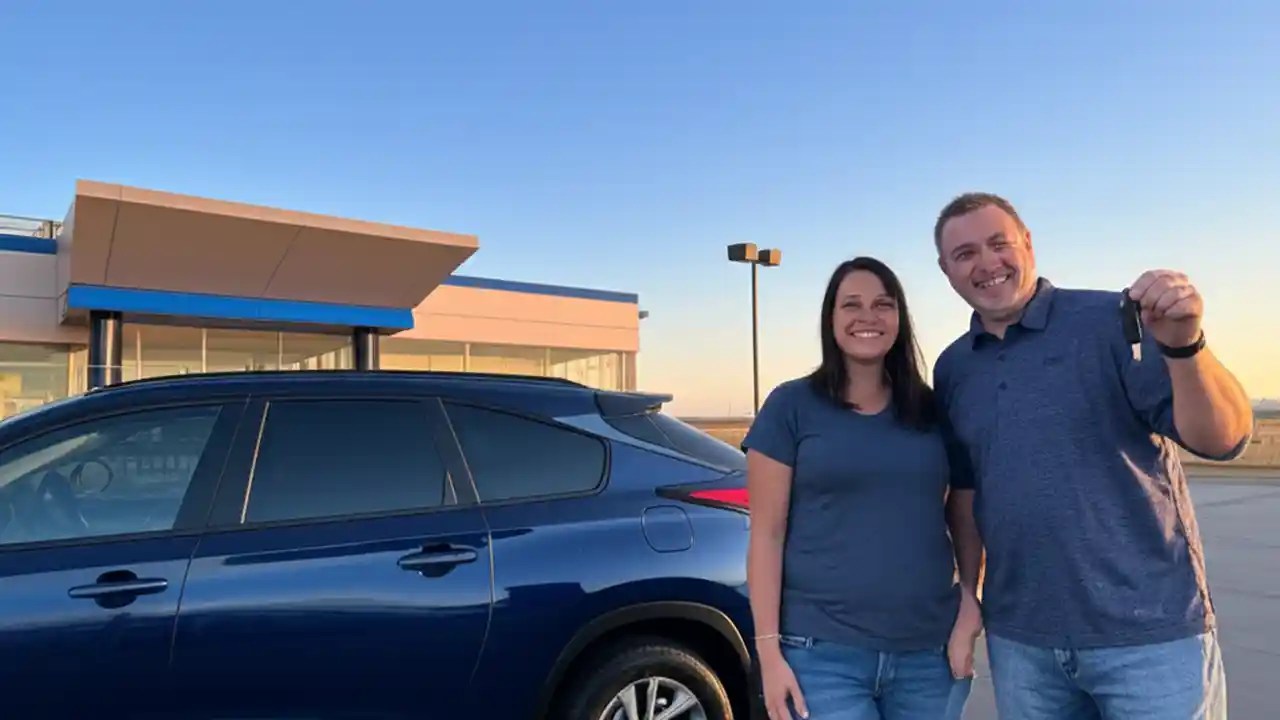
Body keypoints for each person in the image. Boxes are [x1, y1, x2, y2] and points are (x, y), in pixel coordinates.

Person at [931, 191, 1254, 719]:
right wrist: (969, 594)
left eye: (998, 243)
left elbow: (1225, 437)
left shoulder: (1114, 321)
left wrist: (1185, 344)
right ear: (945, 270)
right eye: (965, 254)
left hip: (1150, 638)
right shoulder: (954, 369)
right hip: (1023, 647)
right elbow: (966, 494)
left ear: (1028, 244)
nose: (986, 263)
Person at [744, 256, 982, 720]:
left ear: (900, 317)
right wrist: (769, 656)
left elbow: (965, 508)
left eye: (882, 304)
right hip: (820, 656)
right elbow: (766, 535)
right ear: (830, 318)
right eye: (851, 304)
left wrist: (971, 601)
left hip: (929, 656)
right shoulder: (790, 407)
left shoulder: (932, 411)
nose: (867, 316)